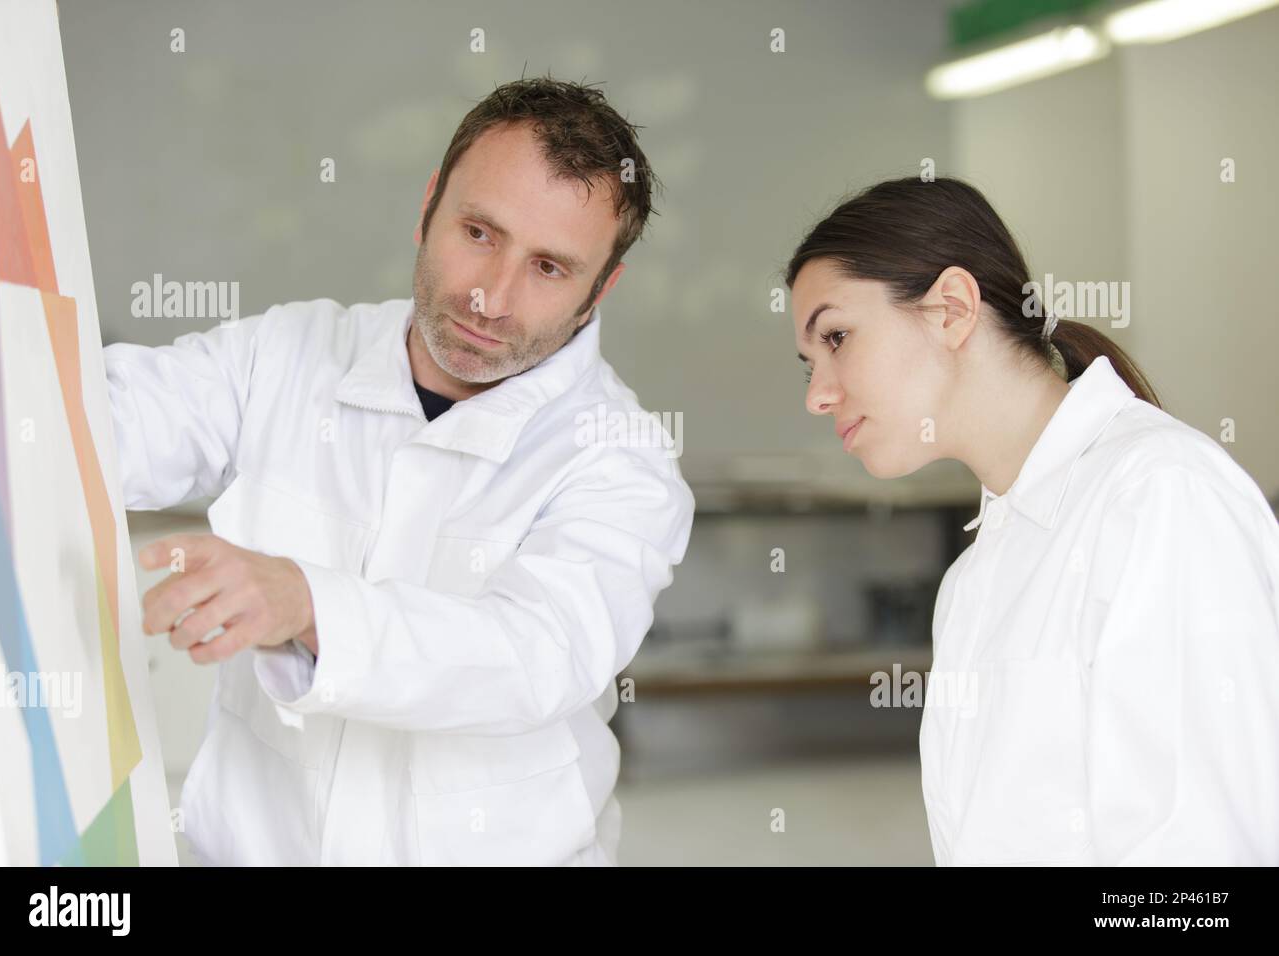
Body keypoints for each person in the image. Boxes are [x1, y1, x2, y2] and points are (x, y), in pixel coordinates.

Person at [104, 77, 694, 865]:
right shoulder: (286, 354)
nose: (491, 297)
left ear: (600, 288)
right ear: (429, 205)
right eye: (479, 233)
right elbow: (93, 426)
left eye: (549, 267)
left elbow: (534, 655)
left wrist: (306, 603)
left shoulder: (622, 457)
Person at [786, 176, 1279, 865]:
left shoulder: (1160, 495)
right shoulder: (972, 581)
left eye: (837, 336)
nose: (817, 395)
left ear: (952, 309)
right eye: (807, 363)